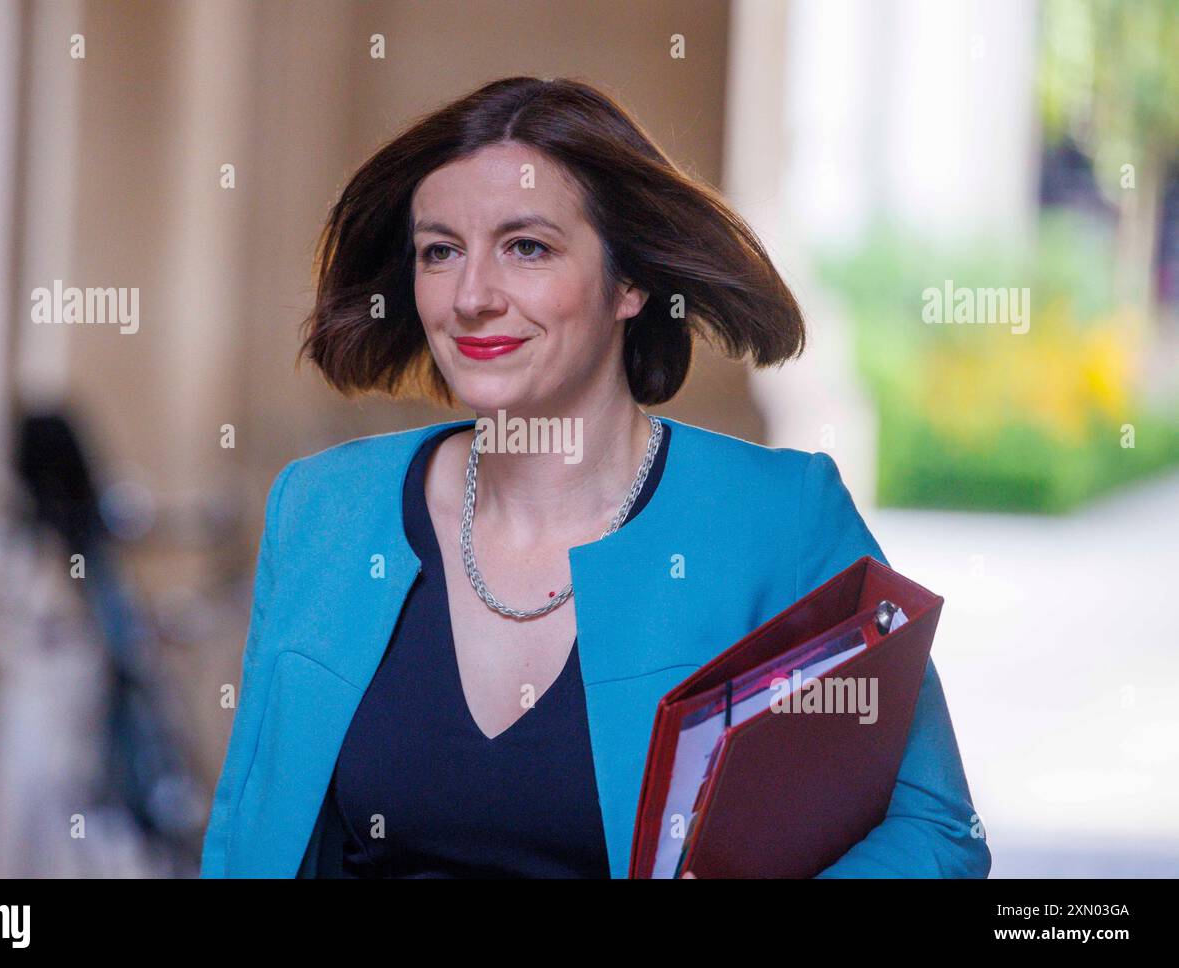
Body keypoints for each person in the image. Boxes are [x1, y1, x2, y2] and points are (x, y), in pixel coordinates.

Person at [200, 76, 989, 879]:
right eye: (441, 251)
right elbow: (246, 837)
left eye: (527, 247)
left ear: (629, 282)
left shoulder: (777, 522)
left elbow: (935, 832)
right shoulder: (322, 508)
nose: (471, 296)